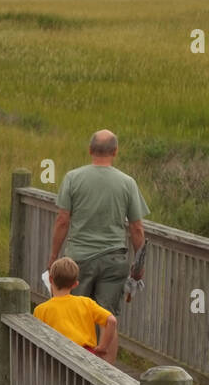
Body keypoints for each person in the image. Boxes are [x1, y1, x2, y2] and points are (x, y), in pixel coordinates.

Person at [47, 129, 150, 357]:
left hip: (78, 261)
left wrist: (54, 257)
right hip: (114, 260)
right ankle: (107, 373)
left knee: (73, 315)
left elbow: (62, 220)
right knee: (107, 318)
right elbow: (136, 228)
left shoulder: (72, 178)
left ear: (90, 150)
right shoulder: (127, 182)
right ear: (115, 151)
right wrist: (139, 264)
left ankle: (73, 365)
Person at [33, 257, 118, 362]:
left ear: (50, 279)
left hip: (58, 357)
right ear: (75, 284)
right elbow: (112, 321)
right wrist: (103, 347)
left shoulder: (41, 310)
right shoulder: (86, 303)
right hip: (86, 356)